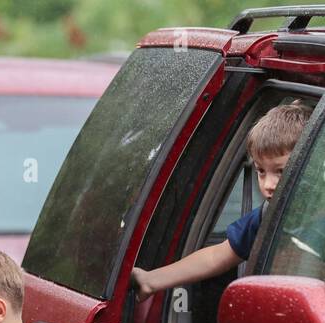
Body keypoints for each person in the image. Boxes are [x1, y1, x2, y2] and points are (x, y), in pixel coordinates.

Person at [130, 100, 313, 301]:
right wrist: (151, 280)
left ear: (313, 163)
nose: (268, 184)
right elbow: (217, 256)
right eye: (261, 171)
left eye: (281, 171)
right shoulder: (266, 216)